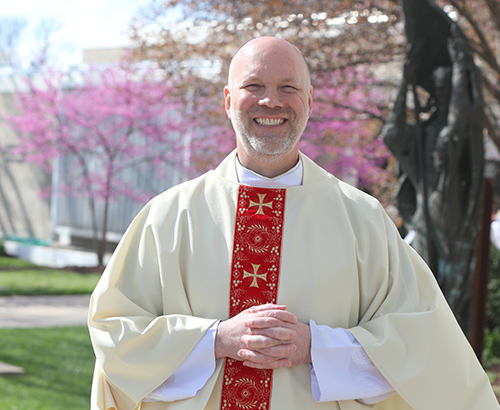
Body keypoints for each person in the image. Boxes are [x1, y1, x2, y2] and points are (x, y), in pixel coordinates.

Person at [88, 37, 499, 410]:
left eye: (288, 87)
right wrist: (215, 340)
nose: (271, 102)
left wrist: (316, 347)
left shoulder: (363, 219)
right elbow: (116, 336)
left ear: (310, 101)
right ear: (228, 100)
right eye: (254, 87)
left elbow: (423, 346)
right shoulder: (167, 216)